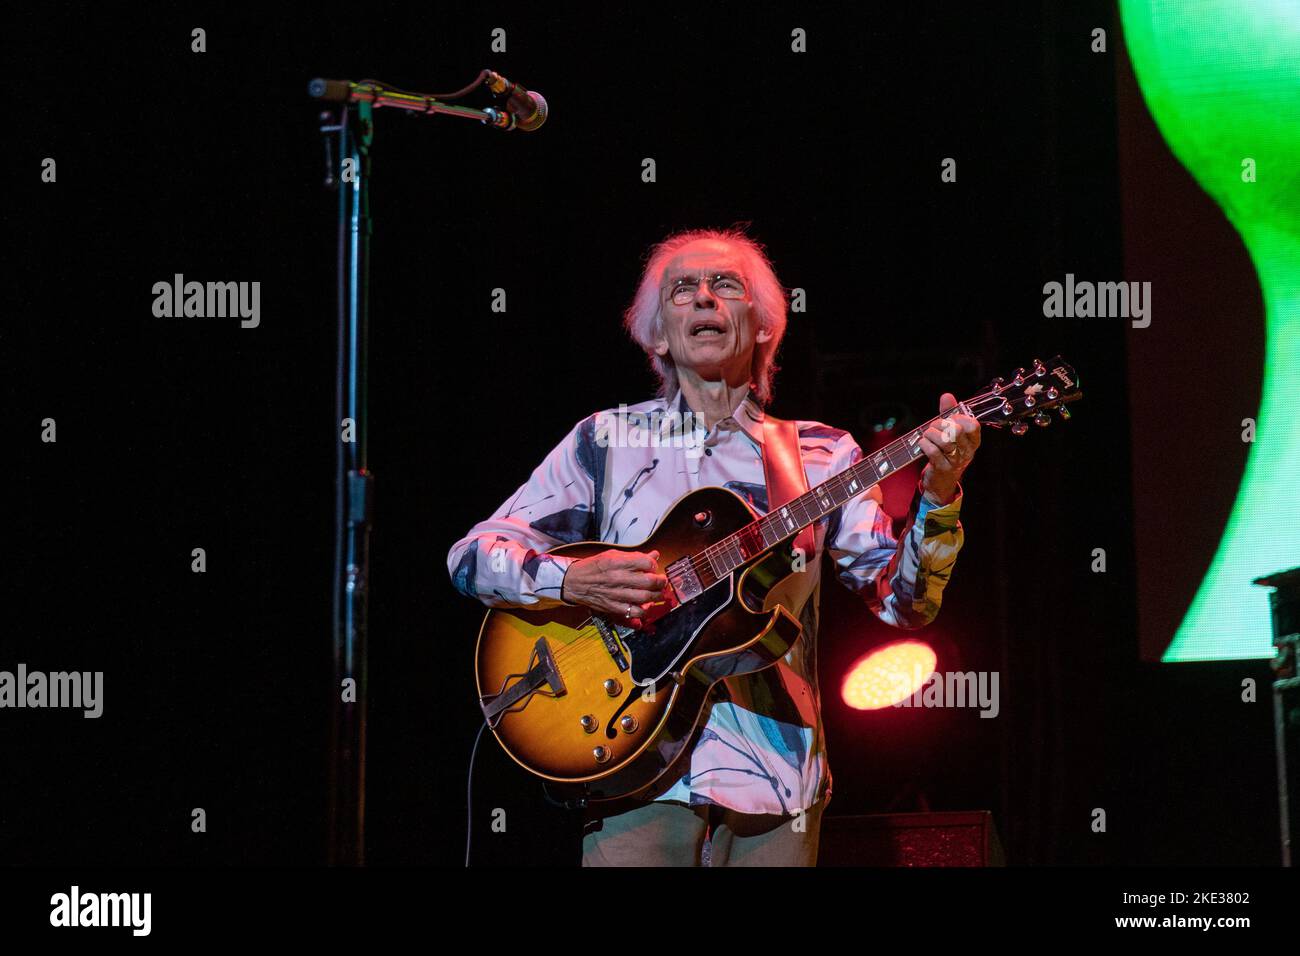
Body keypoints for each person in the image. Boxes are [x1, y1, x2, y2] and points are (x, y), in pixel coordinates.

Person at [447, 226, 980, 866]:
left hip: (777, 775)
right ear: (655, 335)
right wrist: (570, 580)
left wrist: (940, 492)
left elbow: (904, 605)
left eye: (725, 286)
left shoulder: (819, 453)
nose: (704, 299)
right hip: (628, 758)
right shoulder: (606, 439)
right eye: (682, 290)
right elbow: (472, 555)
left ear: (761, 326)